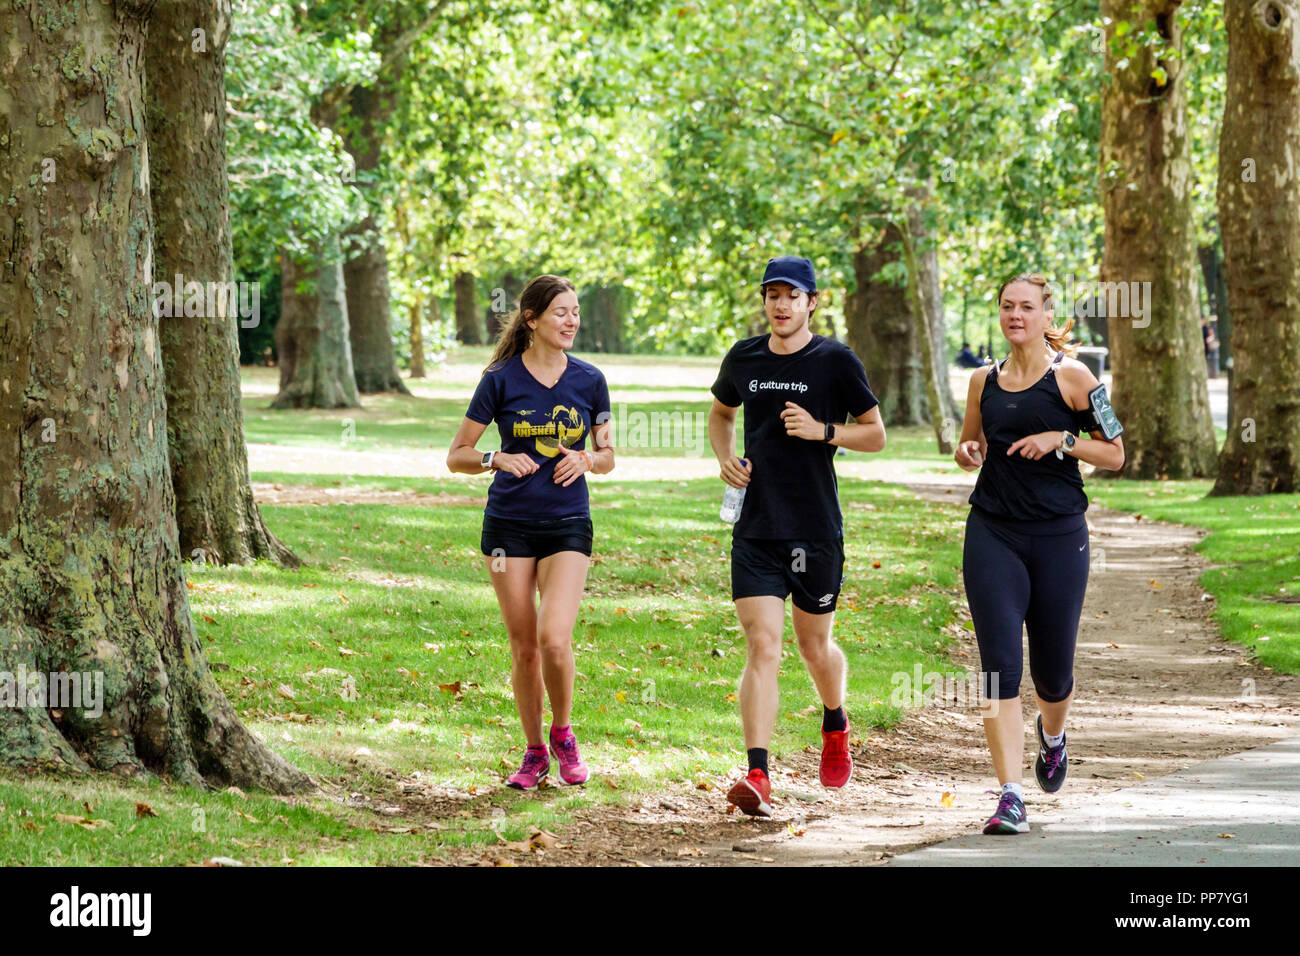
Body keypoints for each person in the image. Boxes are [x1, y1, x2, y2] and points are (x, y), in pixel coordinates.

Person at [708, 255, 887, 818]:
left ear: (813, 302)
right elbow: (720, 413)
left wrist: (822, 431)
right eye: (772, 295)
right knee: (763, 645)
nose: (781, 305)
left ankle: (835, 720)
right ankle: (758, 772)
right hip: (756, 527)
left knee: (814, 647)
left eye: (792, 295)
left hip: (814, 530)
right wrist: (724, 458)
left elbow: (876, 435)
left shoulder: (835, 361)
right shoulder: (744, 356)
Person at [954, 273, 1125, 834]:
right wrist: (968, 451)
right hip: (993, 533)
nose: (1015, 316)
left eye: (1027, 307)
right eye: (1007, 307)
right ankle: (1009, 795)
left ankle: (1052, 735)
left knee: (1052, 676)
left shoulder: (1075, 378)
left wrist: (1063, 439)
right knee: (998, 668)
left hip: (1058, 536)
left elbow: (1117, 453)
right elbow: (970, 441)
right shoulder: (983, 380)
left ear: (1047, 315)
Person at [446, 275, 614, 790]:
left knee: (554, 639)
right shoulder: (499, 379)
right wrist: (497, 458)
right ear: (533, 320)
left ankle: (564, 734)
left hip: (568, 525)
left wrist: (586, 458)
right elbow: (457, 456)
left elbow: (608, 456)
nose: (571, 321)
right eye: (560, 312)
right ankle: (534, 751)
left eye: (576, 311)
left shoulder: (590, 380)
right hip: (507, 529)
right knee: (524, 647)